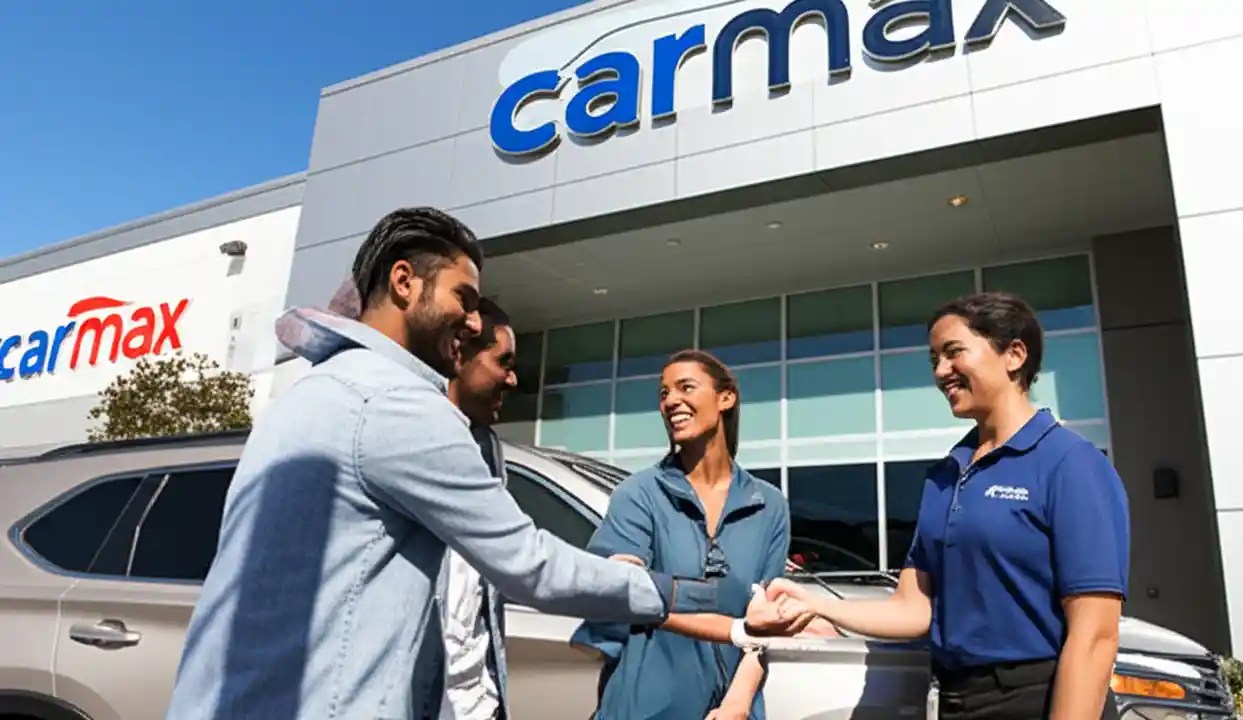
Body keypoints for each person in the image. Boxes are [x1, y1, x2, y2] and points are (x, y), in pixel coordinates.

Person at [166, 208, 800, 720]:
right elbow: (530, 565)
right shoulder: (395, 404)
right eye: (463, 298)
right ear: (404, 281)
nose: (472, 321)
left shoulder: (319, 392)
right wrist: (697, 591)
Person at [766, 292, 1130, 720]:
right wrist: (816, 604)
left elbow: (1095, 636)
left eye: (954, 352)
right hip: (955, 699)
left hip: (1042, 697)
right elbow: (913, 609)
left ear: (1014, 354)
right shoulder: (945, 476)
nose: (941, 372)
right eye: (934, 359)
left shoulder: (1071, 463)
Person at [570, 349, 800, 720]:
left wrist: (737, 705)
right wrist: (735, 627)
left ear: (725, 398)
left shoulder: (768, 505)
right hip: (641, 708)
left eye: (685, 387)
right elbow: (617, 593)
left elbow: (767, 625)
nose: (671, 401)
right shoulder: (639, 494)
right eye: (664, 393)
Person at [440, 296, 519, 720]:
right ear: (460, 356)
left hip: (480, 705)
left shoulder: (488, 449)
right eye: (503, 362)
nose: (513, 380)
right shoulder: (404, 442)